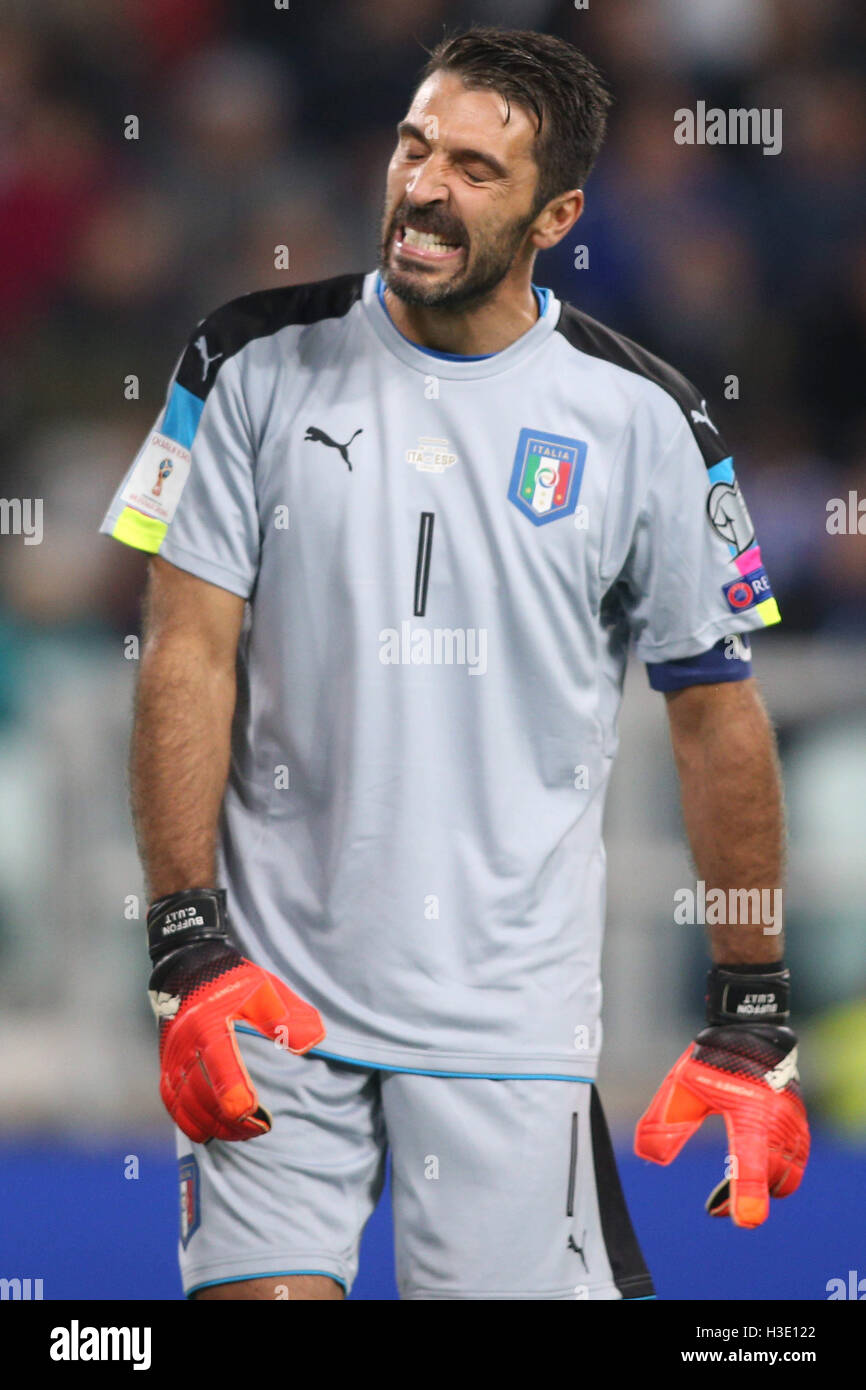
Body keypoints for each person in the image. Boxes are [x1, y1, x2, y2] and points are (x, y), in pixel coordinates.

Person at [99, 27, 809, 1301]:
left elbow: (714, 711)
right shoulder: (243, 360)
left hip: (507, 1025)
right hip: (269, 999)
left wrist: (751, 1000)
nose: (424, 186)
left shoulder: (645, 420)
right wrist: (185, 935)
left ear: (556, 214)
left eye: (476, 169)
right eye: (413, 147)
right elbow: (187, 653)